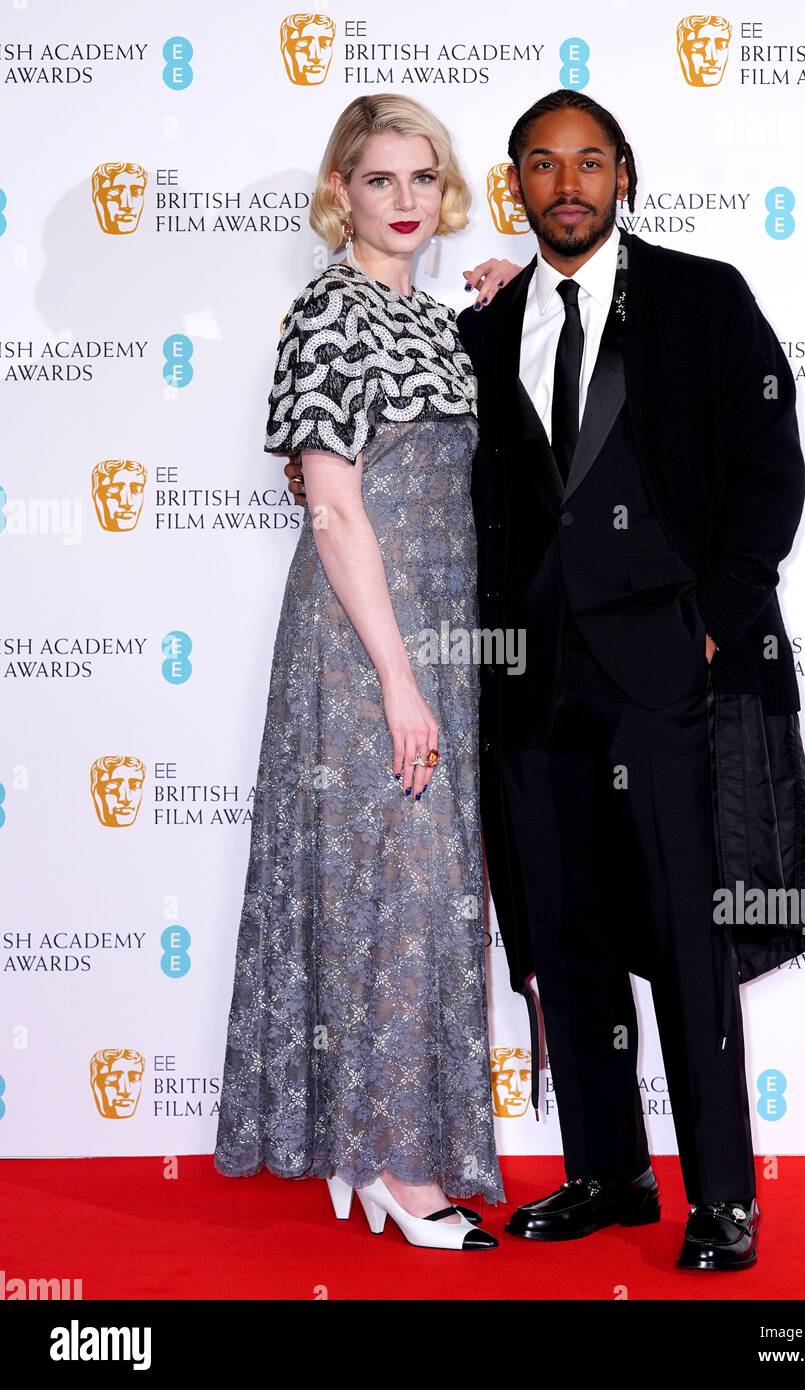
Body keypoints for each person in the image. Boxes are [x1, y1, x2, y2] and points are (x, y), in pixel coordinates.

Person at [453, 89, 805, 1270]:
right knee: (568, 935)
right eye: (543, 166)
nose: (567, 183)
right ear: (517, 185)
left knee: (685, 935)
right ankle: (605, 1175)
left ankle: (721, 1197)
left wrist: (715, 620)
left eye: (588, 162)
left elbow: (770, 473)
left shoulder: (703, 300)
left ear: (624, 174)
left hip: (666, 678)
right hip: (534, 685)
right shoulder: (487, 328)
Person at [213, 93, 523, 1252]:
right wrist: (398, 678)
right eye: (380, 180)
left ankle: (374, 1140)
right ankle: (394, 1162)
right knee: (398, 886)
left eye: (422, 179)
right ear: (339, 189)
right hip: (365, 643)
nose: (404, 203)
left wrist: (502, 303)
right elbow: (336, 513)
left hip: (436, 633)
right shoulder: (328, 314)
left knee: (421, 888)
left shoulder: (436, 321)